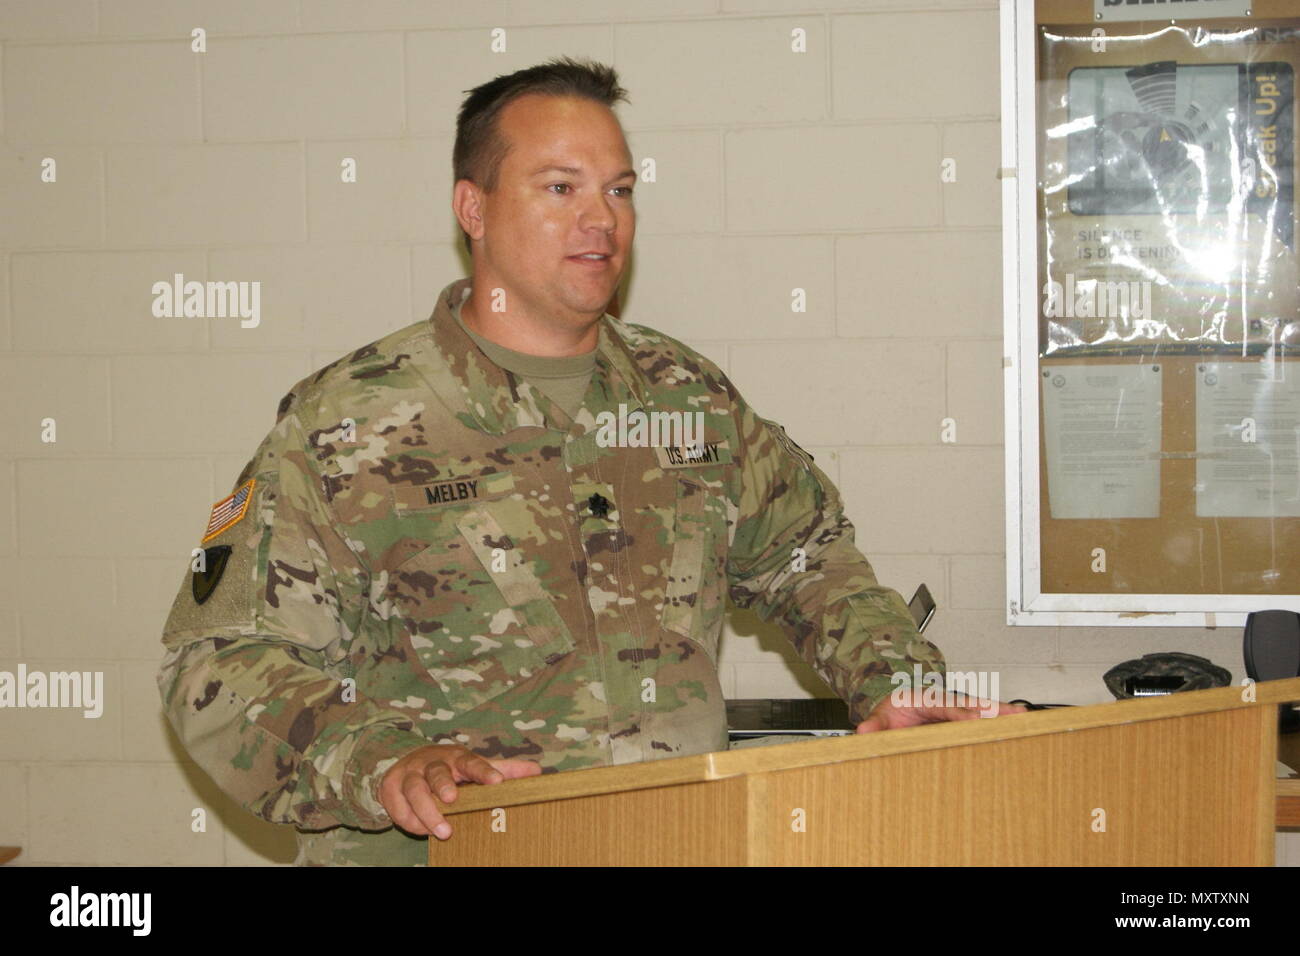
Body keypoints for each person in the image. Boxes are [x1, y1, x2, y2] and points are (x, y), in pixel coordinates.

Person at [157, 57, 1021, 867]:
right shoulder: (346, 424)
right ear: (474, 208)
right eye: (560, 187)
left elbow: (809, 557)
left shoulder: (685, 397)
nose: (601, 218)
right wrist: (378, 759)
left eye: (618, 189)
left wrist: (893, 679)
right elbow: (215, 663)